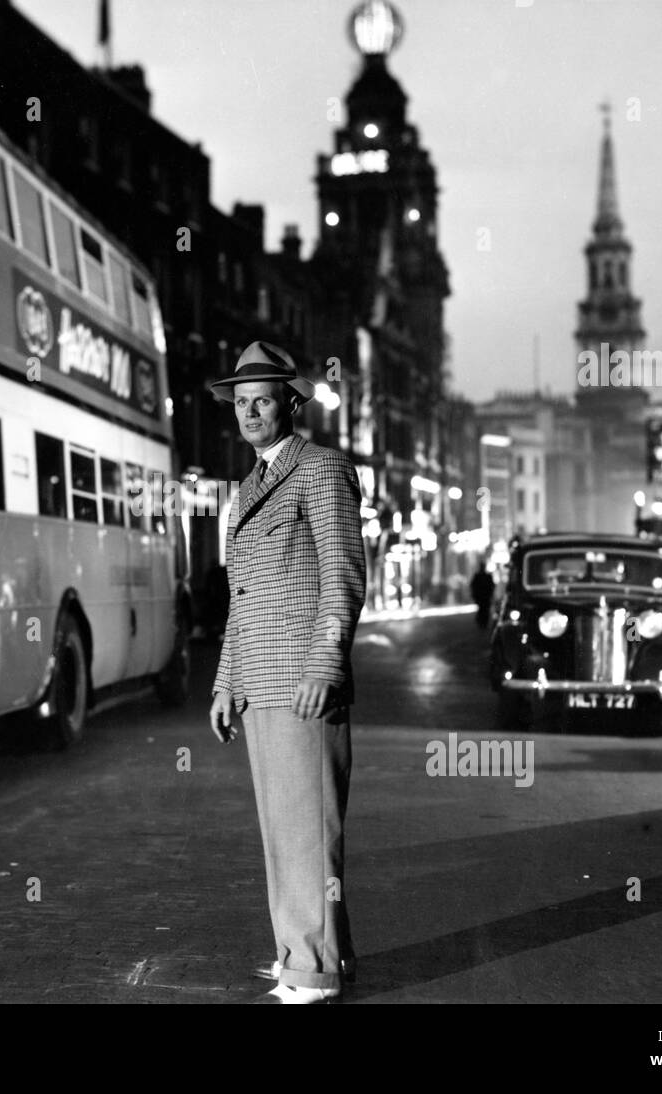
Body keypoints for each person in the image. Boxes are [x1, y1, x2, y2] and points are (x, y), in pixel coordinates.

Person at [208, 340, 366, 1005]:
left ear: (291, 404)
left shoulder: (322, 470)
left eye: (262, 400)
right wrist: (225, 682)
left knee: (307, 829)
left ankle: (311, 969)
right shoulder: (248, 487)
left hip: (304, 680)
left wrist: (325, 663)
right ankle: (308, 952)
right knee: (284, 829)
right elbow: (239, 596)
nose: (249, 413)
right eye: (241, 403)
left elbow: (344, 577)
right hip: (261, 683)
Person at [470, 561, 495, 628]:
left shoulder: (485, 576)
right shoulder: (480, 576)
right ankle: (482, 622)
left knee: (484, 610)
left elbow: (491, 586)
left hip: (485, 597)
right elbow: (473, 586)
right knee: (482, 610)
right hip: (481, 597)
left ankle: (483, 622)